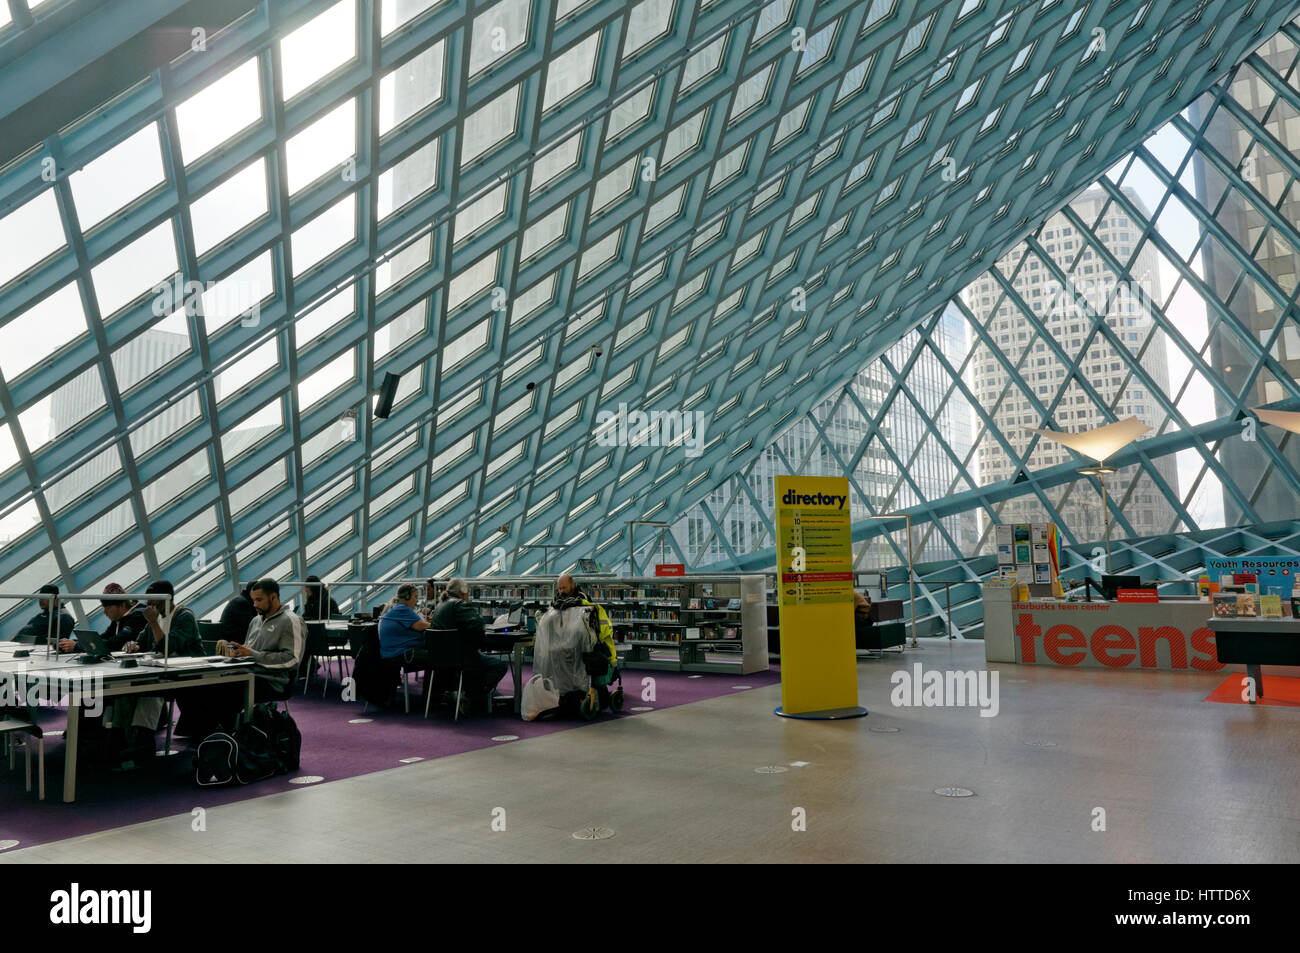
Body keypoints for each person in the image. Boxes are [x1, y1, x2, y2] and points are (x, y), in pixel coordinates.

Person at [108, 580, 204, 769]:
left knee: (150, 691)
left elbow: (167, 647)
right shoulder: (157, 616)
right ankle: (122, 739)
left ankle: (143, 742)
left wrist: (153, 623)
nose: (150, 606)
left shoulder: (184, 616)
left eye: (154, 602)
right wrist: (133, 645)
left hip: (187, 674)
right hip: (160, 671)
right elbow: (142, 640)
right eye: (149, 602)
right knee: (125, 690)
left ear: (167, 599)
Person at [427, 578, 507, 711]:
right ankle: (471, 696)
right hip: (460, 658)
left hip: (439, 658)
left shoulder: (440, 605)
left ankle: (461, 692)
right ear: (463, 592)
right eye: (468, 592)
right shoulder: (460, 604)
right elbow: (477, 625)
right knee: (499, 666)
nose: (468, 595)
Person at [58, 583, 148, 653]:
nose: (105, 612)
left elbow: (116, 642)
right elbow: (104, 637)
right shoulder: (119, 619)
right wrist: (76, 642)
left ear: (122, 606)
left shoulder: (138, 616)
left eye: (108, 608)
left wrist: (78, 646)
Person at [554, 573, 616, 669]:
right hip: (561, 640)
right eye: (560, 588)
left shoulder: (583, 598)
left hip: (580, 641)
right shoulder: (557, 599)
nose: (562, 591)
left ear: (572, 585)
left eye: (564, 588)